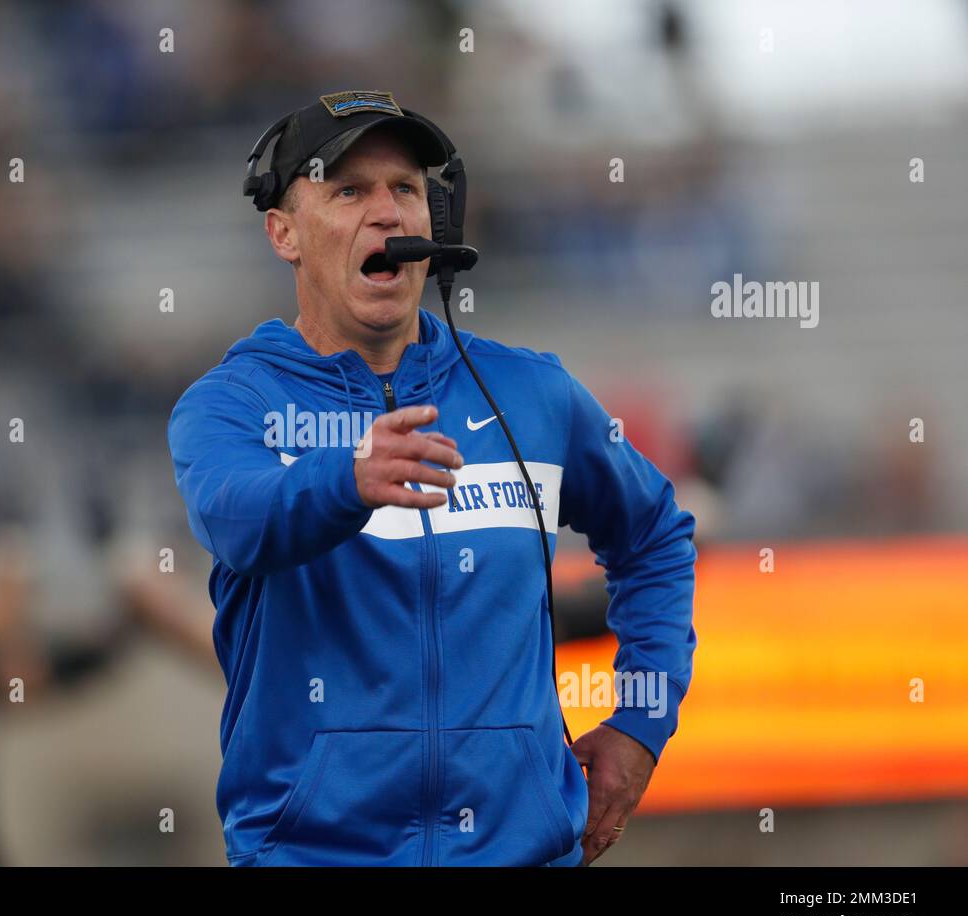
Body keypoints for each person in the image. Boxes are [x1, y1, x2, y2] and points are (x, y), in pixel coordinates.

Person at [168, 91, 698, 867]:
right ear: (282, 231)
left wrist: (641, 726)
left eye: (406, 189)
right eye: (349, 190)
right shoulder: (231, 403)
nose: (388, 214)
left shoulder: (532, 394)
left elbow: (655, 535)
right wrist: (346, 481)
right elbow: (238, 520)